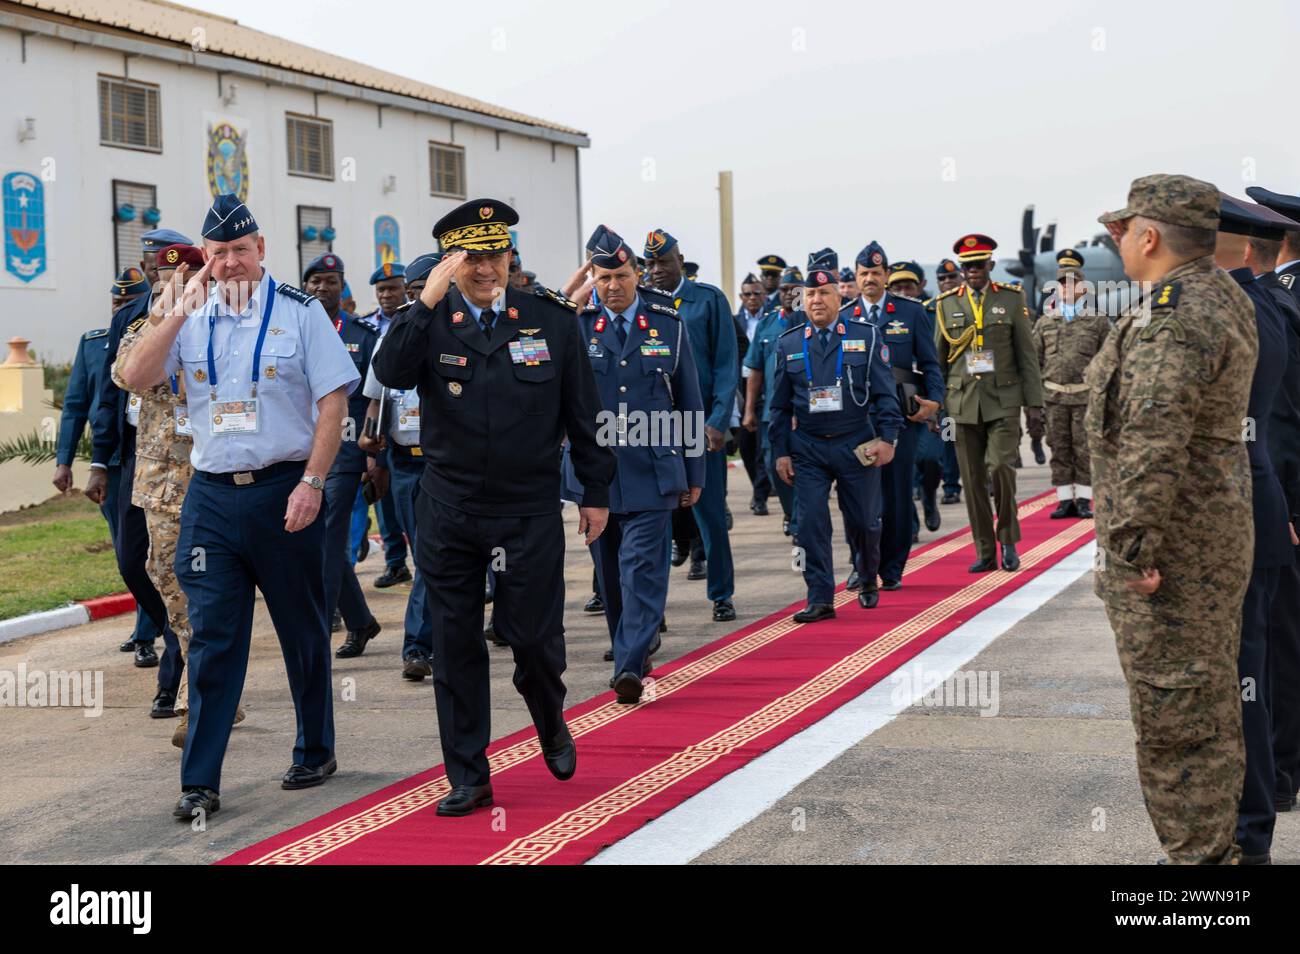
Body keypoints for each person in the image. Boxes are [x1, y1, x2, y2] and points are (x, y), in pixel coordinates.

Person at [118, 194, 359, 820]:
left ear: (262, 250)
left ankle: (314, 746)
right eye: (218, 254)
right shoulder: (189, 316)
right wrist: (176, 307)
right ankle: (199, 780)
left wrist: (313, 482)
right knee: (214, 639)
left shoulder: (301, 314)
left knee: (301, 629)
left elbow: (334, 401)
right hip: (212, 498)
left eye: (240, 252)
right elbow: (137, 375)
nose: (230, 264)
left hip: (285, 491)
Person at [371, 198, 615, 817]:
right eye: (472, 258)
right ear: (451, 263)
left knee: (533, 639)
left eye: (495, 254)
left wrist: (595, 493)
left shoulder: (549, 319)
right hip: (449, 507)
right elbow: (390, 371)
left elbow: (584, 415)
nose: (486, 269)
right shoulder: (426, 321)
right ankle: (469, 776)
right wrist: (423, 300)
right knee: (455, 644)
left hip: (527, 508)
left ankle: (549, 717)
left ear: (510, 255)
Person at [1088, 174, 1257, 864]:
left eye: (1122, 230)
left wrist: (1131, 552)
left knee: (1176, 717)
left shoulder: (1175, 312)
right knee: (1204, 705)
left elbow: (1154, 434)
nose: (1119, 242)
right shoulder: (1219, 295)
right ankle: (1211, 852)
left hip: (1175, 554)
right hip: (1205, 538)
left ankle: (1198, 871)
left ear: (1150, 235)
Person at [563, 227, 704, 704]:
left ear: (637, 274)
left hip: (654, 469)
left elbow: (689, 400)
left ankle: (627, 667)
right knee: (610, 577)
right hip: (596, 476)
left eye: (622, 275)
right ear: (592, 279)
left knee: (642, 570)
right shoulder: (574, 326)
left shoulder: (667, 323)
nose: (614, 286)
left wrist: (696, 473)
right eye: (603, 277)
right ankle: (635, 649)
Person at [1214, 195, 1300, 865]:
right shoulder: (1265, 307)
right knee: (1254, 675)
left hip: (1251, 513)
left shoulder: (1249, 313)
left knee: (1252, 676)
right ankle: (1246, 827)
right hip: (1261, 508)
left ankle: (1249, 833)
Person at [770, 249, 902, 621]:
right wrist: (781, 452)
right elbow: (778, 408)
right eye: (810, 295)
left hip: (856, 443)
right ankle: (820, 597)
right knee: (810, 523)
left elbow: (884, 395)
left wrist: (888, 439)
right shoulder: (790, 344)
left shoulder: (865, 336)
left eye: (824, 294)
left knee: (864, 521)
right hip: (809, 447)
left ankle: (868, 573)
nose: (816, 301)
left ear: (838, 298)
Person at [88, 230, 191, 691]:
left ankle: (182, 677)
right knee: (141, 564)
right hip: (143, 461)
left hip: (202, 465)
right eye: (158, 270)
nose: (163, 278)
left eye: (175, 274)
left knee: (195, 573)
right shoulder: (131, 321)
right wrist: (99, 460)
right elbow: (111, 391)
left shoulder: (216, 317)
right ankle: (176, 636)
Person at [933, 233, 1043, 572]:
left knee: (1001, 467)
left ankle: (1008, 538)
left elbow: (1027, 355)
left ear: (991, 265)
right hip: (963, 401)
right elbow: (938, 360)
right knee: (973, 477)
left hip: (1003, 399)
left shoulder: (1011, 300)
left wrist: (1034, 405)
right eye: (967, 266)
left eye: (979, 264)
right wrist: (936, 406)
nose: (972, 270)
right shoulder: (946, 304)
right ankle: (984, 549)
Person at [645, 229, 738, 622]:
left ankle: (721, 594)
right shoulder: (643, 303)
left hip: (700, 427)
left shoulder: (708, 299)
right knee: (655, 520)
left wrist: (719, 421)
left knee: (711, 514)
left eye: (662, 262)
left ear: (679, 261)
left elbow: (726, 364)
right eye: (649, 264)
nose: (655, 271)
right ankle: (653, 609)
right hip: (655, 427)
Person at [1244, 185, 1300, 816]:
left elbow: (1281, 421)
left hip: (1285, 498)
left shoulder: (1278, 303)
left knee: (1280, 640)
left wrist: (1284, 508)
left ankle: (1283, 770)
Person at [359, 252, 440, 679]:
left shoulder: (464, 331)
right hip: (408, 464)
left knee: (458, 557)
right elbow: (376, 398)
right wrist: (373, 457)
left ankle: (440, 639)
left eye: (420, 291)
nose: (412, 300)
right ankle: (418, 647)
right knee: (426, 555)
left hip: (456, 465)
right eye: (410, 293)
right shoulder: (393, 333)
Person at [301, 252, 383, 659]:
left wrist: (373, 455)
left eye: (330, 281)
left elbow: (374, 398)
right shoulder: (292, 329)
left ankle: (320, 624)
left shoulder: (362, 334)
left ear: (342, 288)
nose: (322, 287)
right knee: (317, 540)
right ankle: (361, 620)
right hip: (303, 450)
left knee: (330, 534)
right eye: (315, 280)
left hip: (347, 450)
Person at [852, 249, 942, 592]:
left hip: (902, 414)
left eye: (875, 273)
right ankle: (862, 564)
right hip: (859, 418)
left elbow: (931, 364)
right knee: (858, 495)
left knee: (897, 495)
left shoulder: (910, 312)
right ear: (857, 277)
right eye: (864, 274)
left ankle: (891, 567)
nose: (870, 279)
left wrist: (934, 401)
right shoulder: (847, 315)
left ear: (885, 274)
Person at [1032, 249, 1110, 519]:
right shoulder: (1044, 323)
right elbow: (1035, 361)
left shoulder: (1098, 322)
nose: (1067, 287)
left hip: (1085, 398)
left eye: (1072, 282)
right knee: (1058, 447)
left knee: (1084, 449)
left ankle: (1085, 499)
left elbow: (1109, 360)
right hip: (1054, 398)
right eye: (1062, 283)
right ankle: (1065, 499)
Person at [742, 265, 805, 541]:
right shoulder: (768, 323)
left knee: (804, 466)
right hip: (772, 411)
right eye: (784, 290)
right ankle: (791, 512)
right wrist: (748, 410)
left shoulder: (811, 321)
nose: (789, 294)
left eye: (795, 290)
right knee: (772, 464)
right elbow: (754, 369)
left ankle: (802, 518)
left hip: (805, 411)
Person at [927, 258, 964, 506]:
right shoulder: (929, 310)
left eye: (952, 277)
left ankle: (981, 481)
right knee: (948, 438)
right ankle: (949, 485)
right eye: (943, 279)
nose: (948, 282)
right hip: (945, 388)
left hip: (970, 385)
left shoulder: (971, 305)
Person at [734, 273, 770, 516]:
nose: (752, 298)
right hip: (739, 388)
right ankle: (757, 485)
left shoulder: (771, 320)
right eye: (748, 294)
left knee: (761, 447)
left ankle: (760, 496)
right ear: (741, 297)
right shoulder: (734, 321)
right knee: (745, 446)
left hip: (766, 389)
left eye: (757, 293)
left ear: (764, 295)